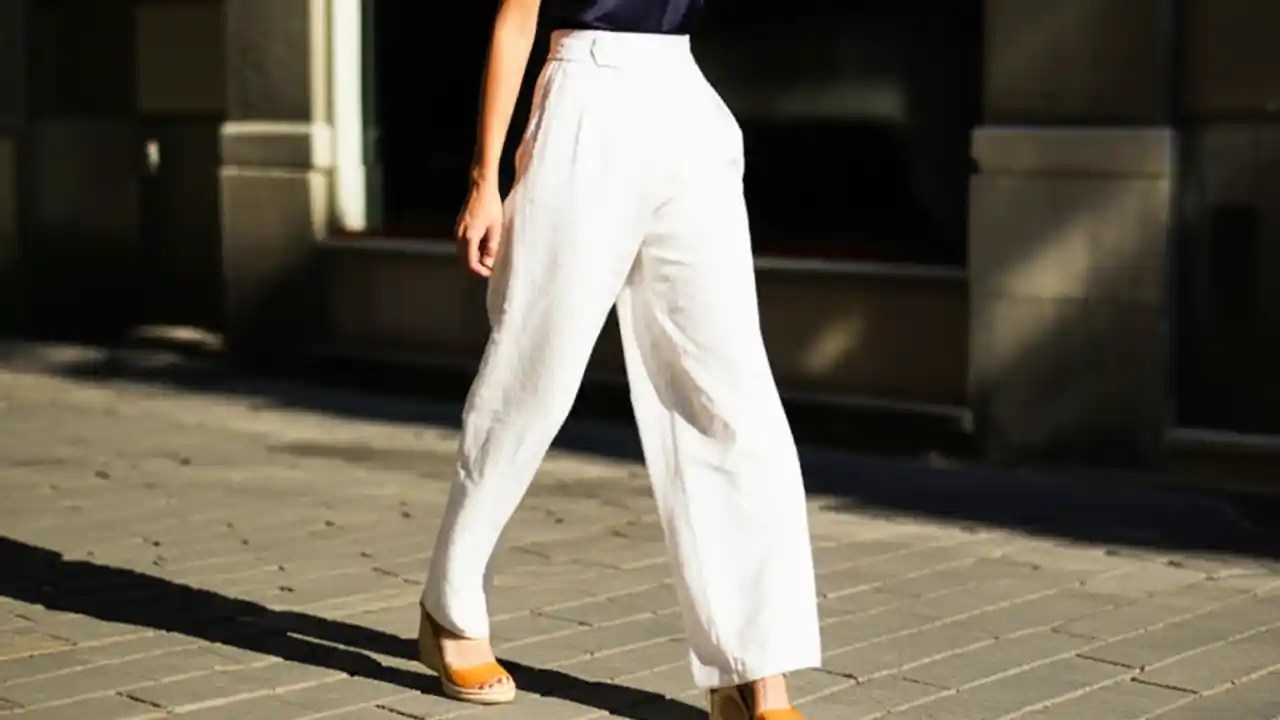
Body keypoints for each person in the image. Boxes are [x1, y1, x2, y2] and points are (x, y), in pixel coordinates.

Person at [417, 1, 822, 717]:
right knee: (532, 375)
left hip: (685, 99)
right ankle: (451, 602)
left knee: (732, 399)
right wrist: (485, 180)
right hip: (585, 98)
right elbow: (516, 18)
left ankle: (756, 671)